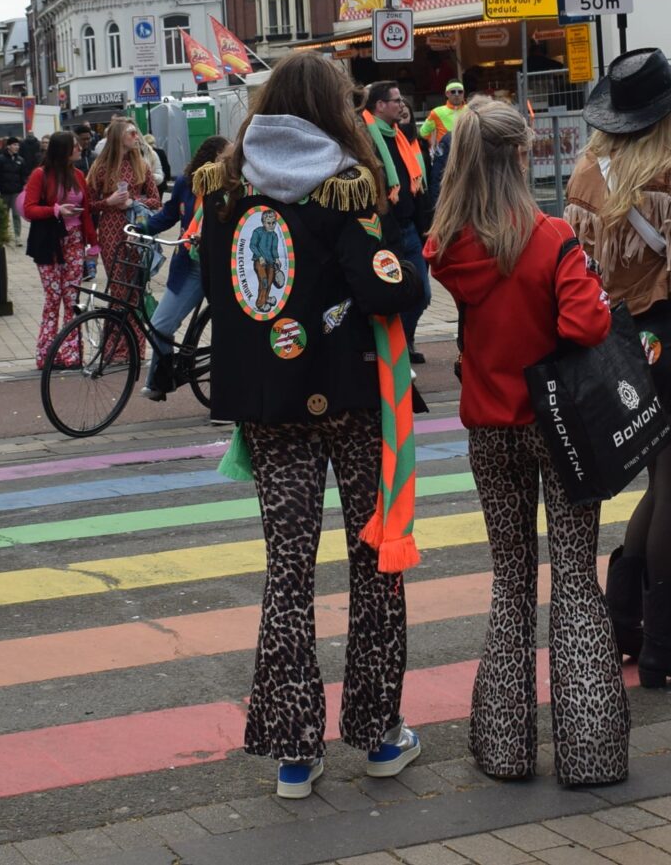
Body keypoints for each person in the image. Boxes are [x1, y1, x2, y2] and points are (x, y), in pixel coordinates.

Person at [196, 51, 425, 800]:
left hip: (270, 407)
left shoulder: (225, 191)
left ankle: (296, 750)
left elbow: (220, 292)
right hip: (353, 398)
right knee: (375, 557)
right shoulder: (348, 187)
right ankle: (379, 732)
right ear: (332, 108)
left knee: (288, 571)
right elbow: (385, 288)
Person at [428, 101, 628, 785]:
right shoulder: (550, 238)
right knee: (574, 579)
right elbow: (586, 324)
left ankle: (507, 746)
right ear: (519, 157)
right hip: (560, 426)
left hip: (490, 426)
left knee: (510, 582)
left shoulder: (451, 245)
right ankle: (591, 747)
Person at [564, 48, 671, 689]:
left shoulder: (584, 177)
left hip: (618, 348)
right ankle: (664, 643)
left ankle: (622, 622)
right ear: (665, 115)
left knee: (654, 489)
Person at [141, 133, 230, 401]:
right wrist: (143, 227)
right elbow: (170, 215)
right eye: (226, 157)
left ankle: (225, 398)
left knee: (228, 334)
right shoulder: (186, 183)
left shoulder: (230, 187)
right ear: (213, 159)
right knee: (160, 325)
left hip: (219, 268)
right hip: (189, 266)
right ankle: (162, 378)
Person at [364, 81, 432, 362]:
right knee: (396, 296)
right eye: (396, 100)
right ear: (379, 105)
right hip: (386, 232)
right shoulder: (366, 139)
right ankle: (396, 353)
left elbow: (417, 186)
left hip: (410, 230)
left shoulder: (400, 136)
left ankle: (404, 342)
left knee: (423, 295)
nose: (401, 104)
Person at [22, 131, 97, 368]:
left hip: (74, 240)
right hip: (49, 243)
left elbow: (86, 211)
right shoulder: (39, 175)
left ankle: (72, 354)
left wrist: (93, 243)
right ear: (62, 149)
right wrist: (56, 210)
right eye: (75, 146)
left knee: (72, 297)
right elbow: (29, 209)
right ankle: (46, 355)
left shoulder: (78, 175)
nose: (80, 149)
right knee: (53, 299)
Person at [86, 117, 160, 296]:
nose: (137, 137)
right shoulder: (100, 167)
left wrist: (133, 202)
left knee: (136, 283)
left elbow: (156, 200)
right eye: (132, 133)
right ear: (119, 137)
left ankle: (133, 324)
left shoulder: (141, 165)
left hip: (137, 227)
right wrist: (108, 202)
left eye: (137, 133)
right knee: (117, 284)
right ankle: (116, 323)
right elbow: (89, 205)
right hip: (110, 228)